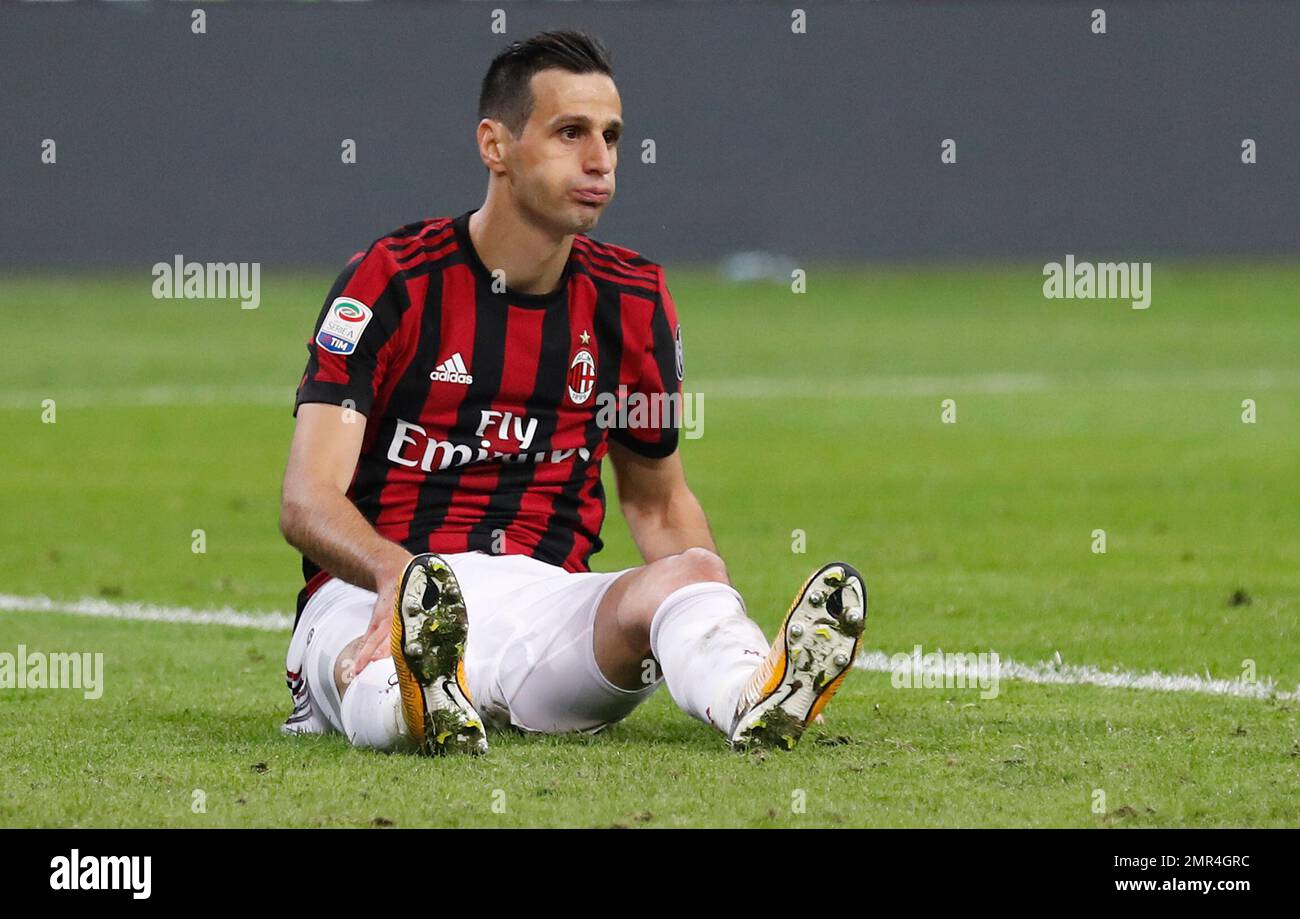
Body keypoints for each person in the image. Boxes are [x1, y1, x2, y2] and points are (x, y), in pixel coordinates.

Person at [277, 29, 868, 755]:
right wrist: (395, 574)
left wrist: (705, 608)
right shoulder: (393, 280)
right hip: (374, 590)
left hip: (544, 607)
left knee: (691, 573)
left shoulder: (633, 300)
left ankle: (753, 690)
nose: (600, 161)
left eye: (612, 137)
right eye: (570, 133)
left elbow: (656, 500)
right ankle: (420, 697)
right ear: (495, 146)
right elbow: (307, 497)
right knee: (374, 671)